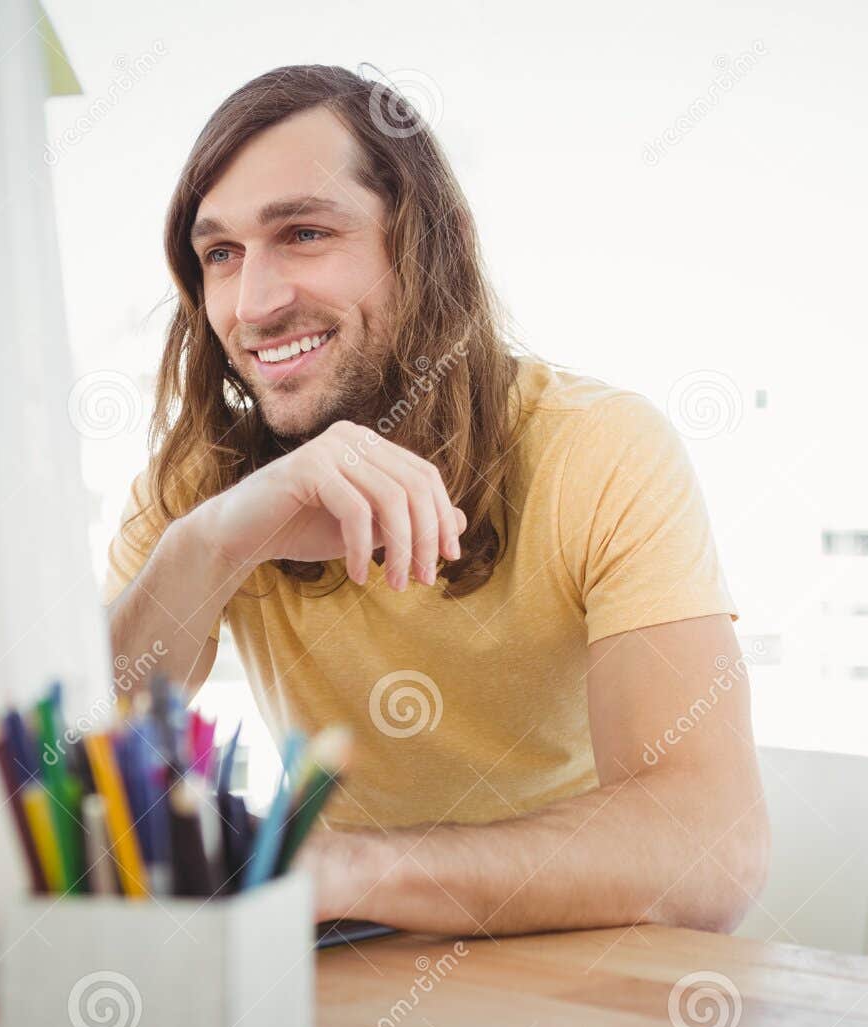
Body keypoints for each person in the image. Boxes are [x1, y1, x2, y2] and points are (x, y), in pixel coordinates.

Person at [105, 65, 768, 936]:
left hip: (575, 955)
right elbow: (59, 766)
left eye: (304, 233)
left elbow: (711, 846)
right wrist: (211, 545)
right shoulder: (203, 483)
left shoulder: (599, 448)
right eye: (221, 253)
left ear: (429, 246)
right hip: (347, 969)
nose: (254, 303)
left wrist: (340, 868)